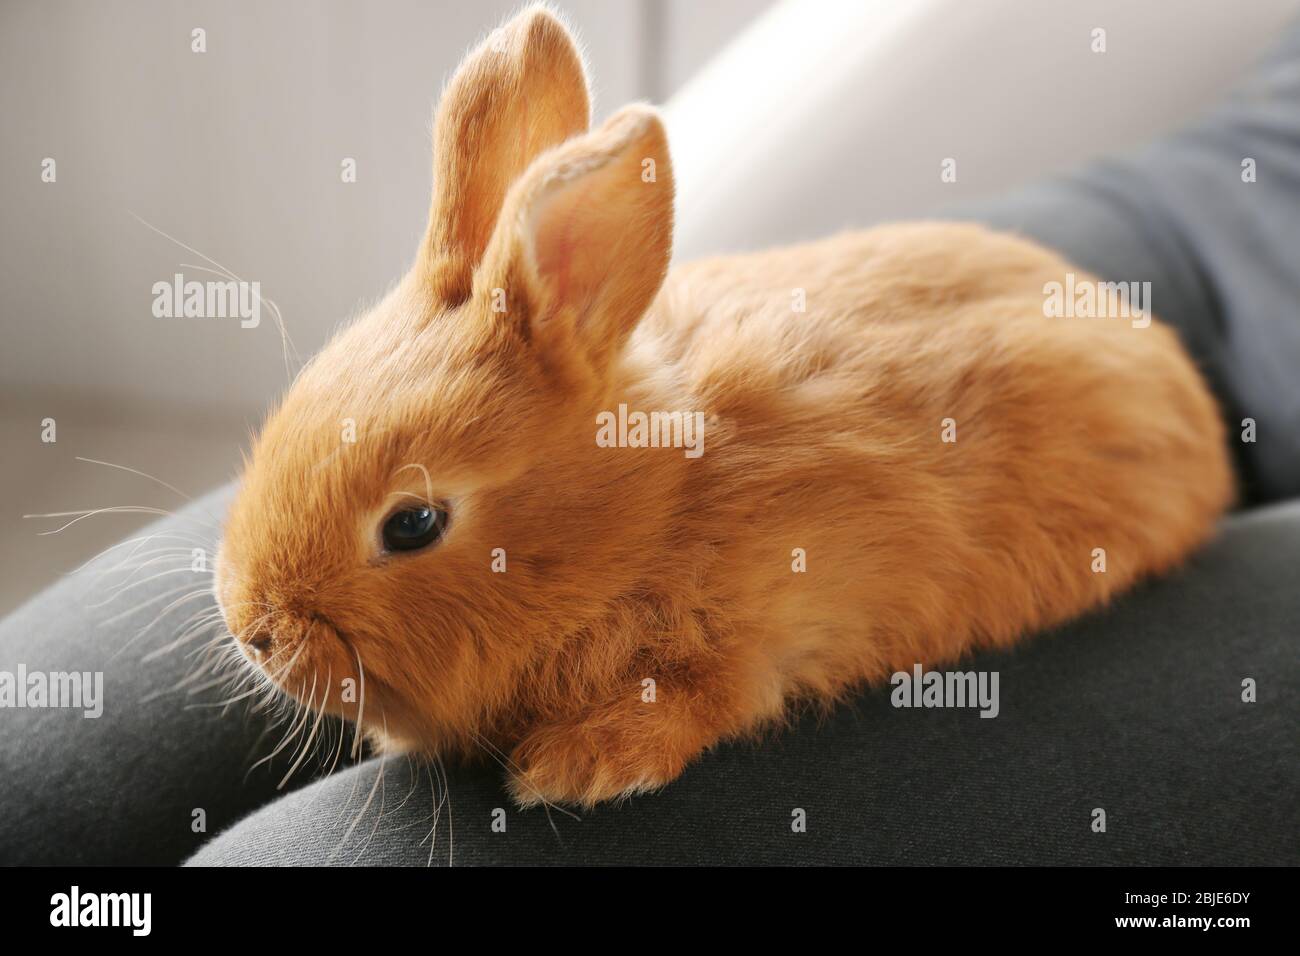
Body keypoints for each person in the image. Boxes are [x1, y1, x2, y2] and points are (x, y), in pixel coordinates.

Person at [2, 19, 1298, 867]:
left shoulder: (721, 532)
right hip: (1195, 205)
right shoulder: (556, 400)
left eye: (412, 528)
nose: (260, 620)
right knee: (38, 767)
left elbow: (839, 576)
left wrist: (671, 696)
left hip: (1121, 443)